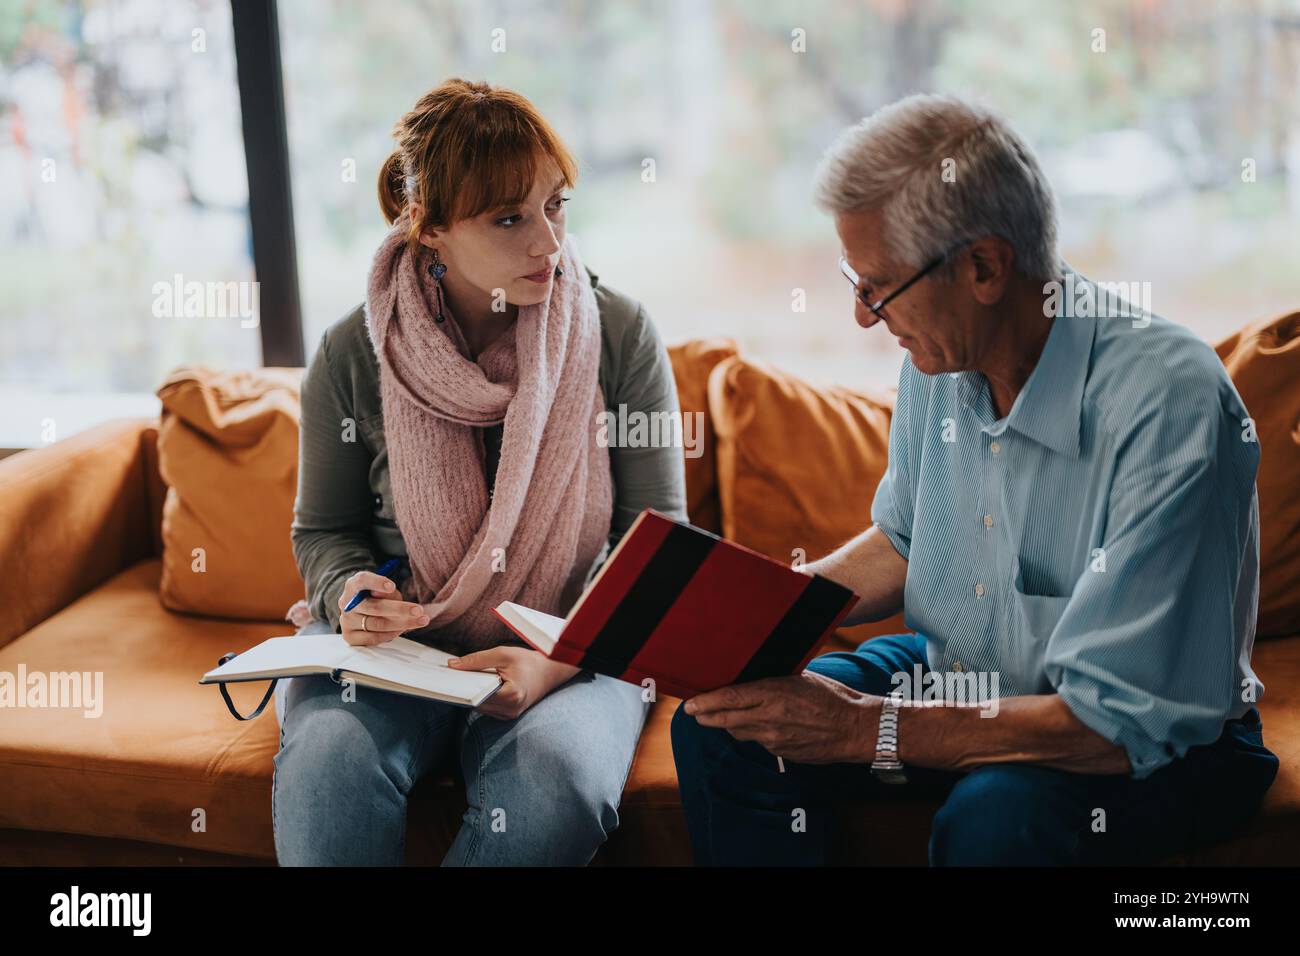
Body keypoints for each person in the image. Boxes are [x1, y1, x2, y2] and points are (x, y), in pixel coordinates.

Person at [671, 93, 1279, 866]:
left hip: (1143, 742)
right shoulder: (942, 355)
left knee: (996, 816)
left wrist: (864, 728)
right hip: (958, 677)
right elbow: (904, 540)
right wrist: (754, 618)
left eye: (878, 288)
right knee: (724, 728)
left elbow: (1113, 722)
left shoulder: (1168, 402)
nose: (864, 317)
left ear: (985, 267)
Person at [272, 78, 687, 866]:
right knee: (328, 767)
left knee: (555, 779)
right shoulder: (354, 351)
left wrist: (554, 663)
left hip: (577, 644)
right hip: (404, 653)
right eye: (509, 218)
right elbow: (325, 532)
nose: (549, 243)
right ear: (429, 231)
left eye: (555, 205)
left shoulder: (621, 334)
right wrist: (351, 594)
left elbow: (659, 548)